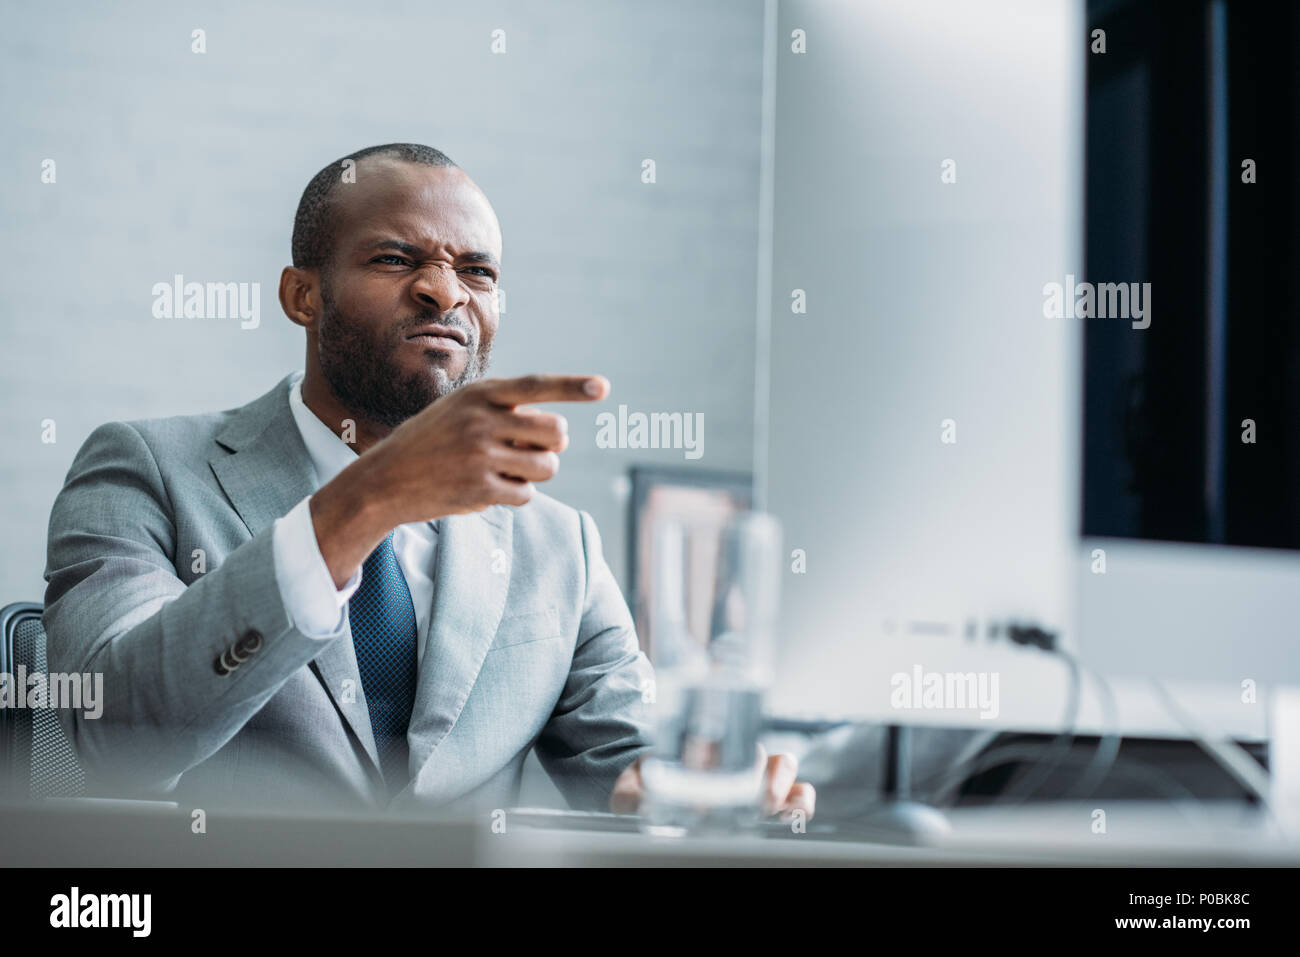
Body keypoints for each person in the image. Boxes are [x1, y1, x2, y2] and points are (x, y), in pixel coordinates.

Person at [43, 143, 815, 821]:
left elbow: (630, 757)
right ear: (301, 294)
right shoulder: (148, 469)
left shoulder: (557, 542)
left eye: (476, 270)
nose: (445, 292)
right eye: (395, 258)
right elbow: (115, 736)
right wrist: (371, 497)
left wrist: (702, 781)